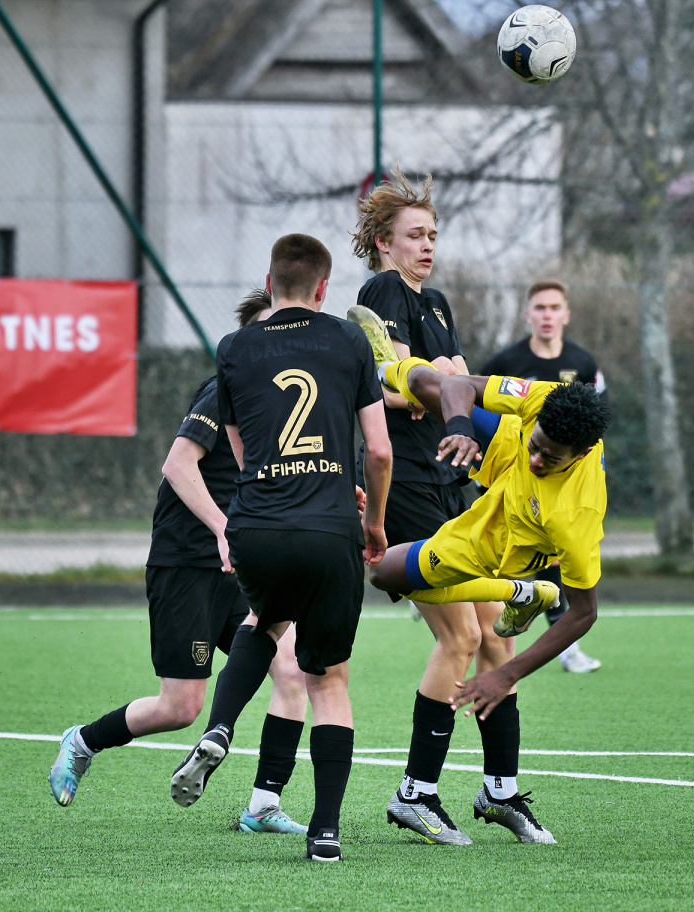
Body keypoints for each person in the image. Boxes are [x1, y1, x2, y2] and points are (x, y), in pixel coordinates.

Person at [48, 289, 311, 835]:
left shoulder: (286, 404)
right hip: (187, 563)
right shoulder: (224, 391)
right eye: (266, 330)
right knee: (180, 707)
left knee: (295, 664)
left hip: (241, 568)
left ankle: (263, 803)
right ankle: (84, 740)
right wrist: (223, 529)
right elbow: (177, 464)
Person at [349, 306, 609, 846]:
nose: (539, 458)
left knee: (482, 640)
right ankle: (384, 366)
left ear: (580, 455)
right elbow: (463, 385)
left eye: (551, 458)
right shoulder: (546, 406)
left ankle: (476, 791)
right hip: (497, 463)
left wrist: (508, 678)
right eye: (538, 444)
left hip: (504, 546)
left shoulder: (575, 517)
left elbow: (583, 613)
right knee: (435, 385)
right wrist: (464, 430)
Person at [170, 234, 391, 864]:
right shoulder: (349, 340)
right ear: (324, 289)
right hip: (330, 528)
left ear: (269, 284)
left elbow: (241, 453)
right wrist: (373, 522)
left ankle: (219, 726)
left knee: (264, 620)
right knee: (329, 681)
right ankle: (324, 831)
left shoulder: (235, 348)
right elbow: (378, 450)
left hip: (259, 523)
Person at [349, 173, 514, 845]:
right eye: (416, 235)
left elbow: (457, 385)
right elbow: (393, 388)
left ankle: (500, 791)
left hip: (452, 482)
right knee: (462, 639)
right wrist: (435, 379)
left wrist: (443, 379)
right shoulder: (380, 293)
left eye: (433, 235)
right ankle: (414, 793)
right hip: (413, 487)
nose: (428, 246)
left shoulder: (437, 301)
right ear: (385, 242)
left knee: (497, 637)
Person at [480, 279, 606, 673]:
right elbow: (478, 405)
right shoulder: (507, 361)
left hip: (557, 482)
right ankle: (458, 596)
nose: (547, 315)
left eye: (555, 308)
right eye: (540, 308)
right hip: (513, 471)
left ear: (566, 314)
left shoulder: (583, 363)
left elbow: (596, 425)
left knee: (552, 557)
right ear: (528, 314)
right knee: (497, 554)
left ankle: (566, 648)